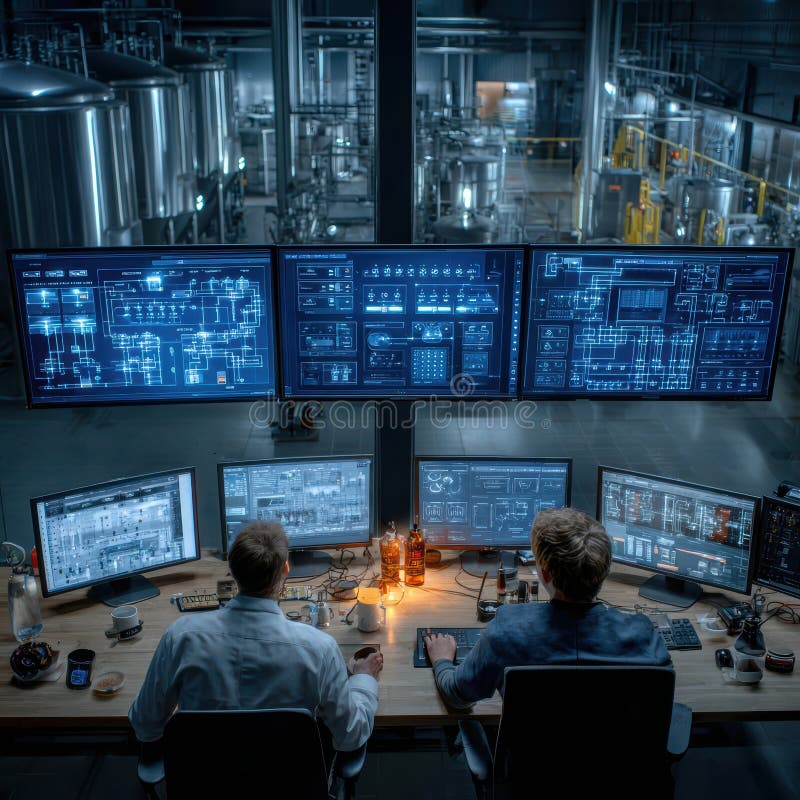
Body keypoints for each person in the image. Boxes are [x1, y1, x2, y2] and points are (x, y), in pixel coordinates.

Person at [129, 520, 383, 751]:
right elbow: (350, 737)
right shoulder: (320, 649)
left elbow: (145, 727)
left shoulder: (180, 637)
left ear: (232, 569)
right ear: (285, 569)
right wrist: (363, 680)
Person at [424, 507, 670, 708]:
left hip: (531, 769)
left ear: (544, 573)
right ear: (606, 569)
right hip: (623, 768)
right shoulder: (644, 635)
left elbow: (458, 696)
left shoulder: (505, 632)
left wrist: (443, 661)